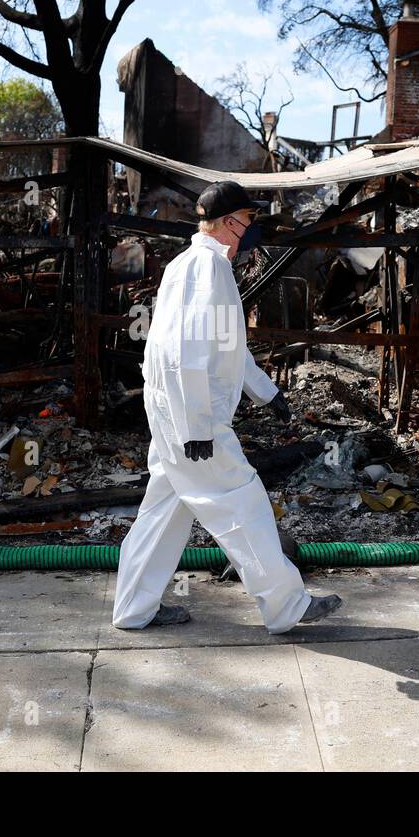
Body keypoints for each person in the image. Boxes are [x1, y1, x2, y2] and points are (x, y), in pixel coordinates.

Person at [111, 180, 344, 633]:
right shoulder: (206, 269)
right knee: (243, 502)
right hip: (194, 418)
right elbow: (188, 352)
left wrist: (265, 391)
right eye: (248, 222)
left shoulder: (189, 264)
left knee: (163, 513)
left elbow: (225, 346)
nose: (250, 232)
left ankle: (133, 608)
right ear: (227, 222)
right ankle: (286, 605)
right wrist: (197, 424)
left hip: (172, 413)